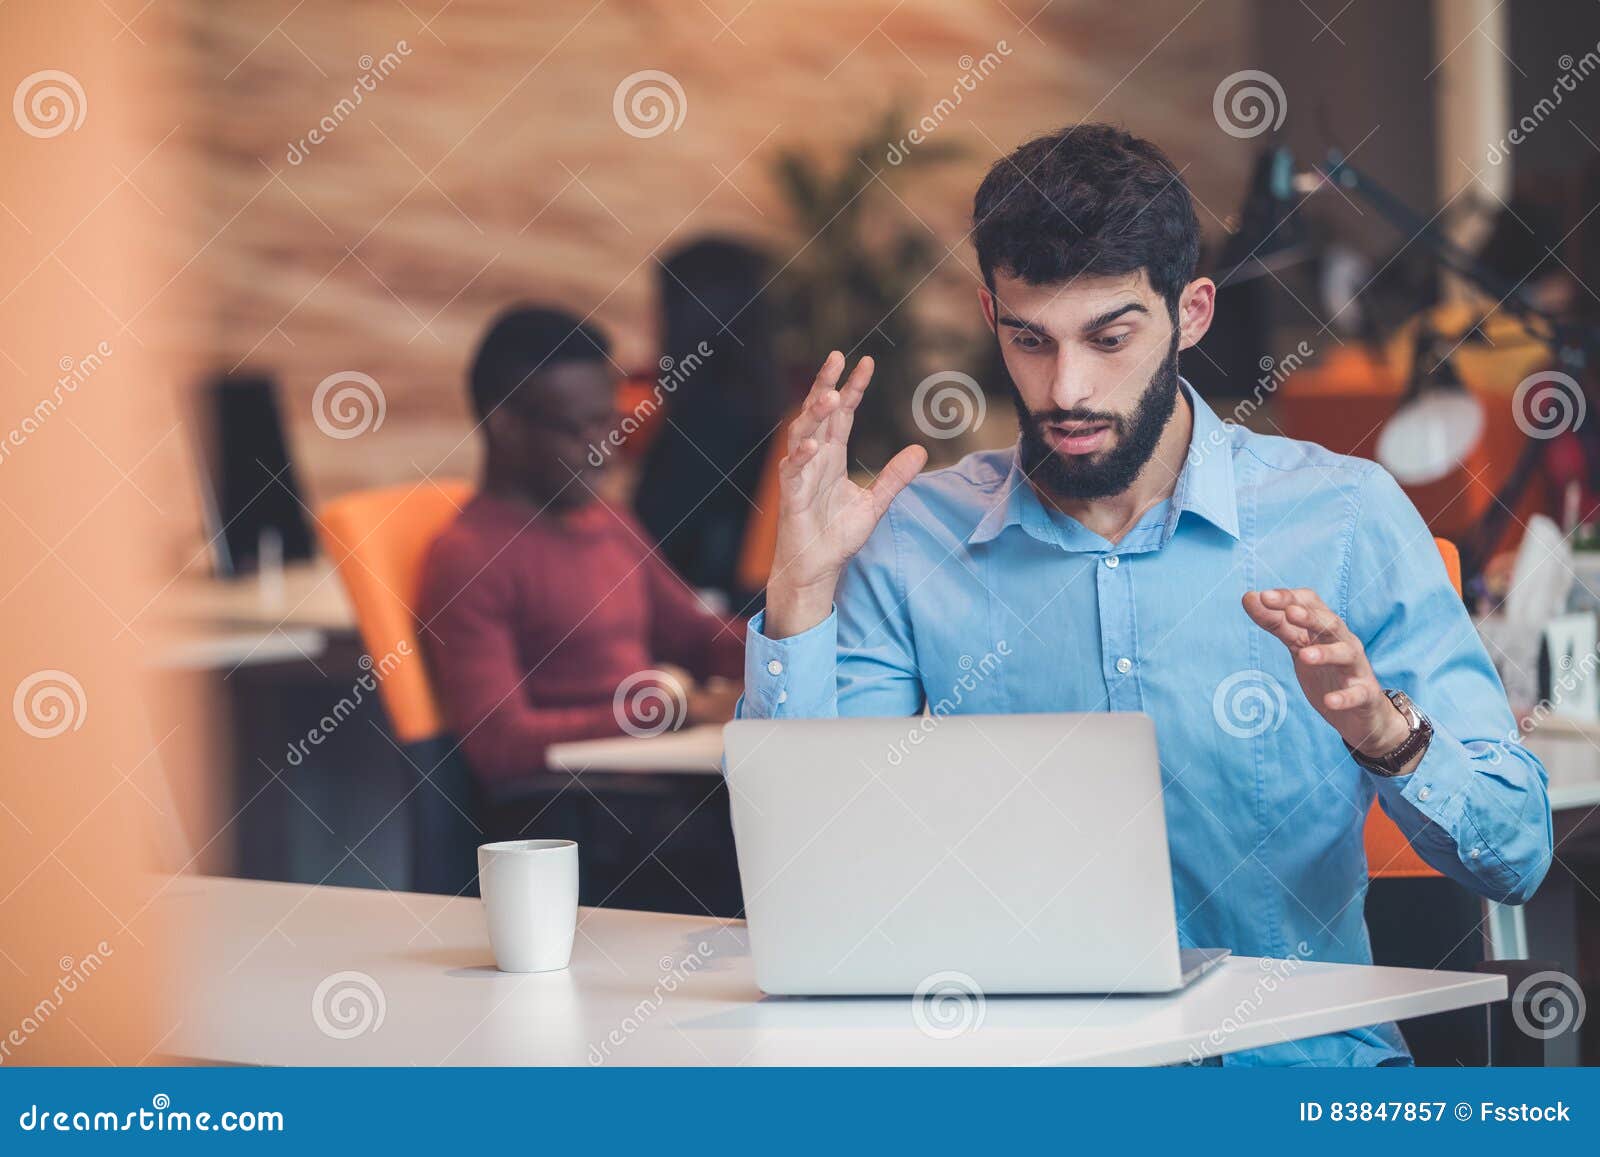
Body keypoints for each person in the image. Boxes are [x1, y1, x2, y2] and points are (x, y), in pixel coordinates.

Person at [736, 124, 1553, 1066]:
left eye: (1110, 337)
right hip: (1030, 1090)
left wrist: (1384, 735)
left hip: (1291, 1084)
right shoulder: (916, 539)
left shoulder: (1343, 516)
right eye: (1029, 339)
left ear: (1192, 312)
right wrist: (801, 584)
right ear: (989, 313)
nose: (1067, 388)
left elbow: (1517, 852)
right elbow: (816, 874)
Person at [419, 305, 747, 911]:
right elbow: (500, 744)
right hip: (586, 822)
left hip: (652, 790)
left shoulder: (607, 521)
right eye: (582, 428)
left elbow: (699, 636)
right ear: (506, 427)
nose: (608, 449)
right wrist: (669, 709)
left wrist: (799, 649)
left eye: (613, 423)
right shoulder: (469, 558)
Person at [633, 237, 783, 603]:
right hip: (742, 608)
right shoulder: (764, 402)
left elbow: (653, 545)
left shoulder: (707, 419)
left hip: (695, 613)